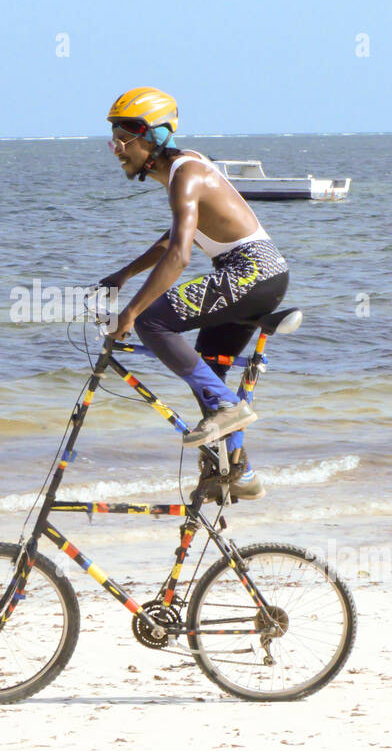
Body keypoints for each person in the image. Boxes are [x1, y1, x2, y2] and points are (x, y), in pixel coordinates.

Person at [99, 87, 289, 501]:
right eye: (113, 137)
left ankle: (227, 408)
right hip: (258, 276)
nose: (117, 147)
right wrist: (125, 274)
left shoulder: (186, 172)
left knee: (153, 320)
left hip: (250, 272)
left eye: (125, 137)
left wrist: (131, 312)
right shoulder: (181, 174)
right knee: (207, 371)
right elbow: (174, 239)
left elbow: (181, 256)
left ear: (156, 135)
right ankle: (240, 471)